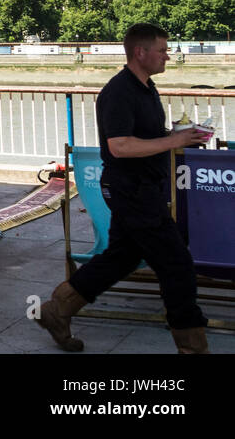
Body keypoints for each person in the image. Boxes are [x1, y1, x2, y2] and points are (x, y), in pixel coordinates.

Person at [35, 23, 211, 354]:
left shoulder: (147, 88)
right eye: (162, 50)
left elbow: (143, 136)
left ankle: (56, 309)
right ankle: (193, 348)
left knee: (122, 257)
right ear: (139, 52)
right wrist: (173, 140)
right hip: (133, 191)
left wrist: (180, 135)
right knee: (177, 266)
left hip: (145, 188)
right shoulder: (118, 92)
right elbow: (119, 146)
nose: (167, 56)